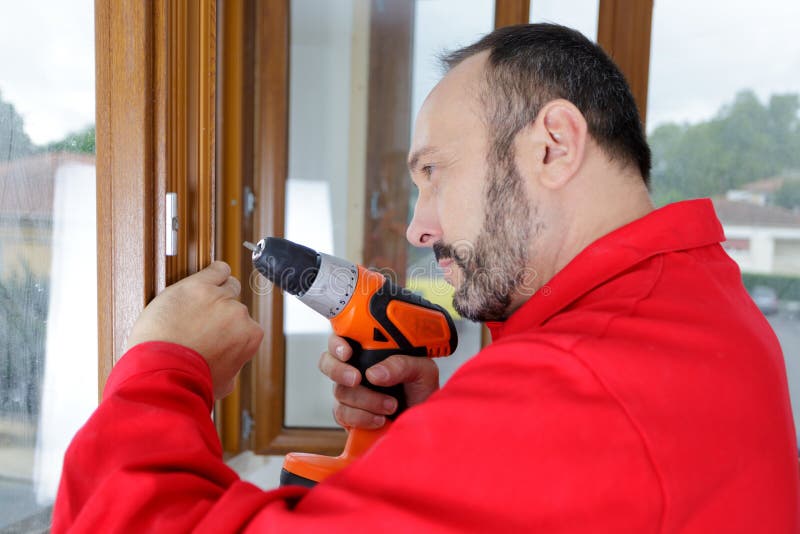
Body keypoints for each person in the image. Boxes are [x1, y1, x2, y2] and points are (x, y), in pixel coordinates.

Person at [53, 24, 798, 532]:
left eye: (434, 172)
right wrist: (435, 446)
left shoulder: (578, 384)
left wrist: (161, 368)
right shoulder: (699, 311)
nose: (419, 227)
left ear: (553, 146)